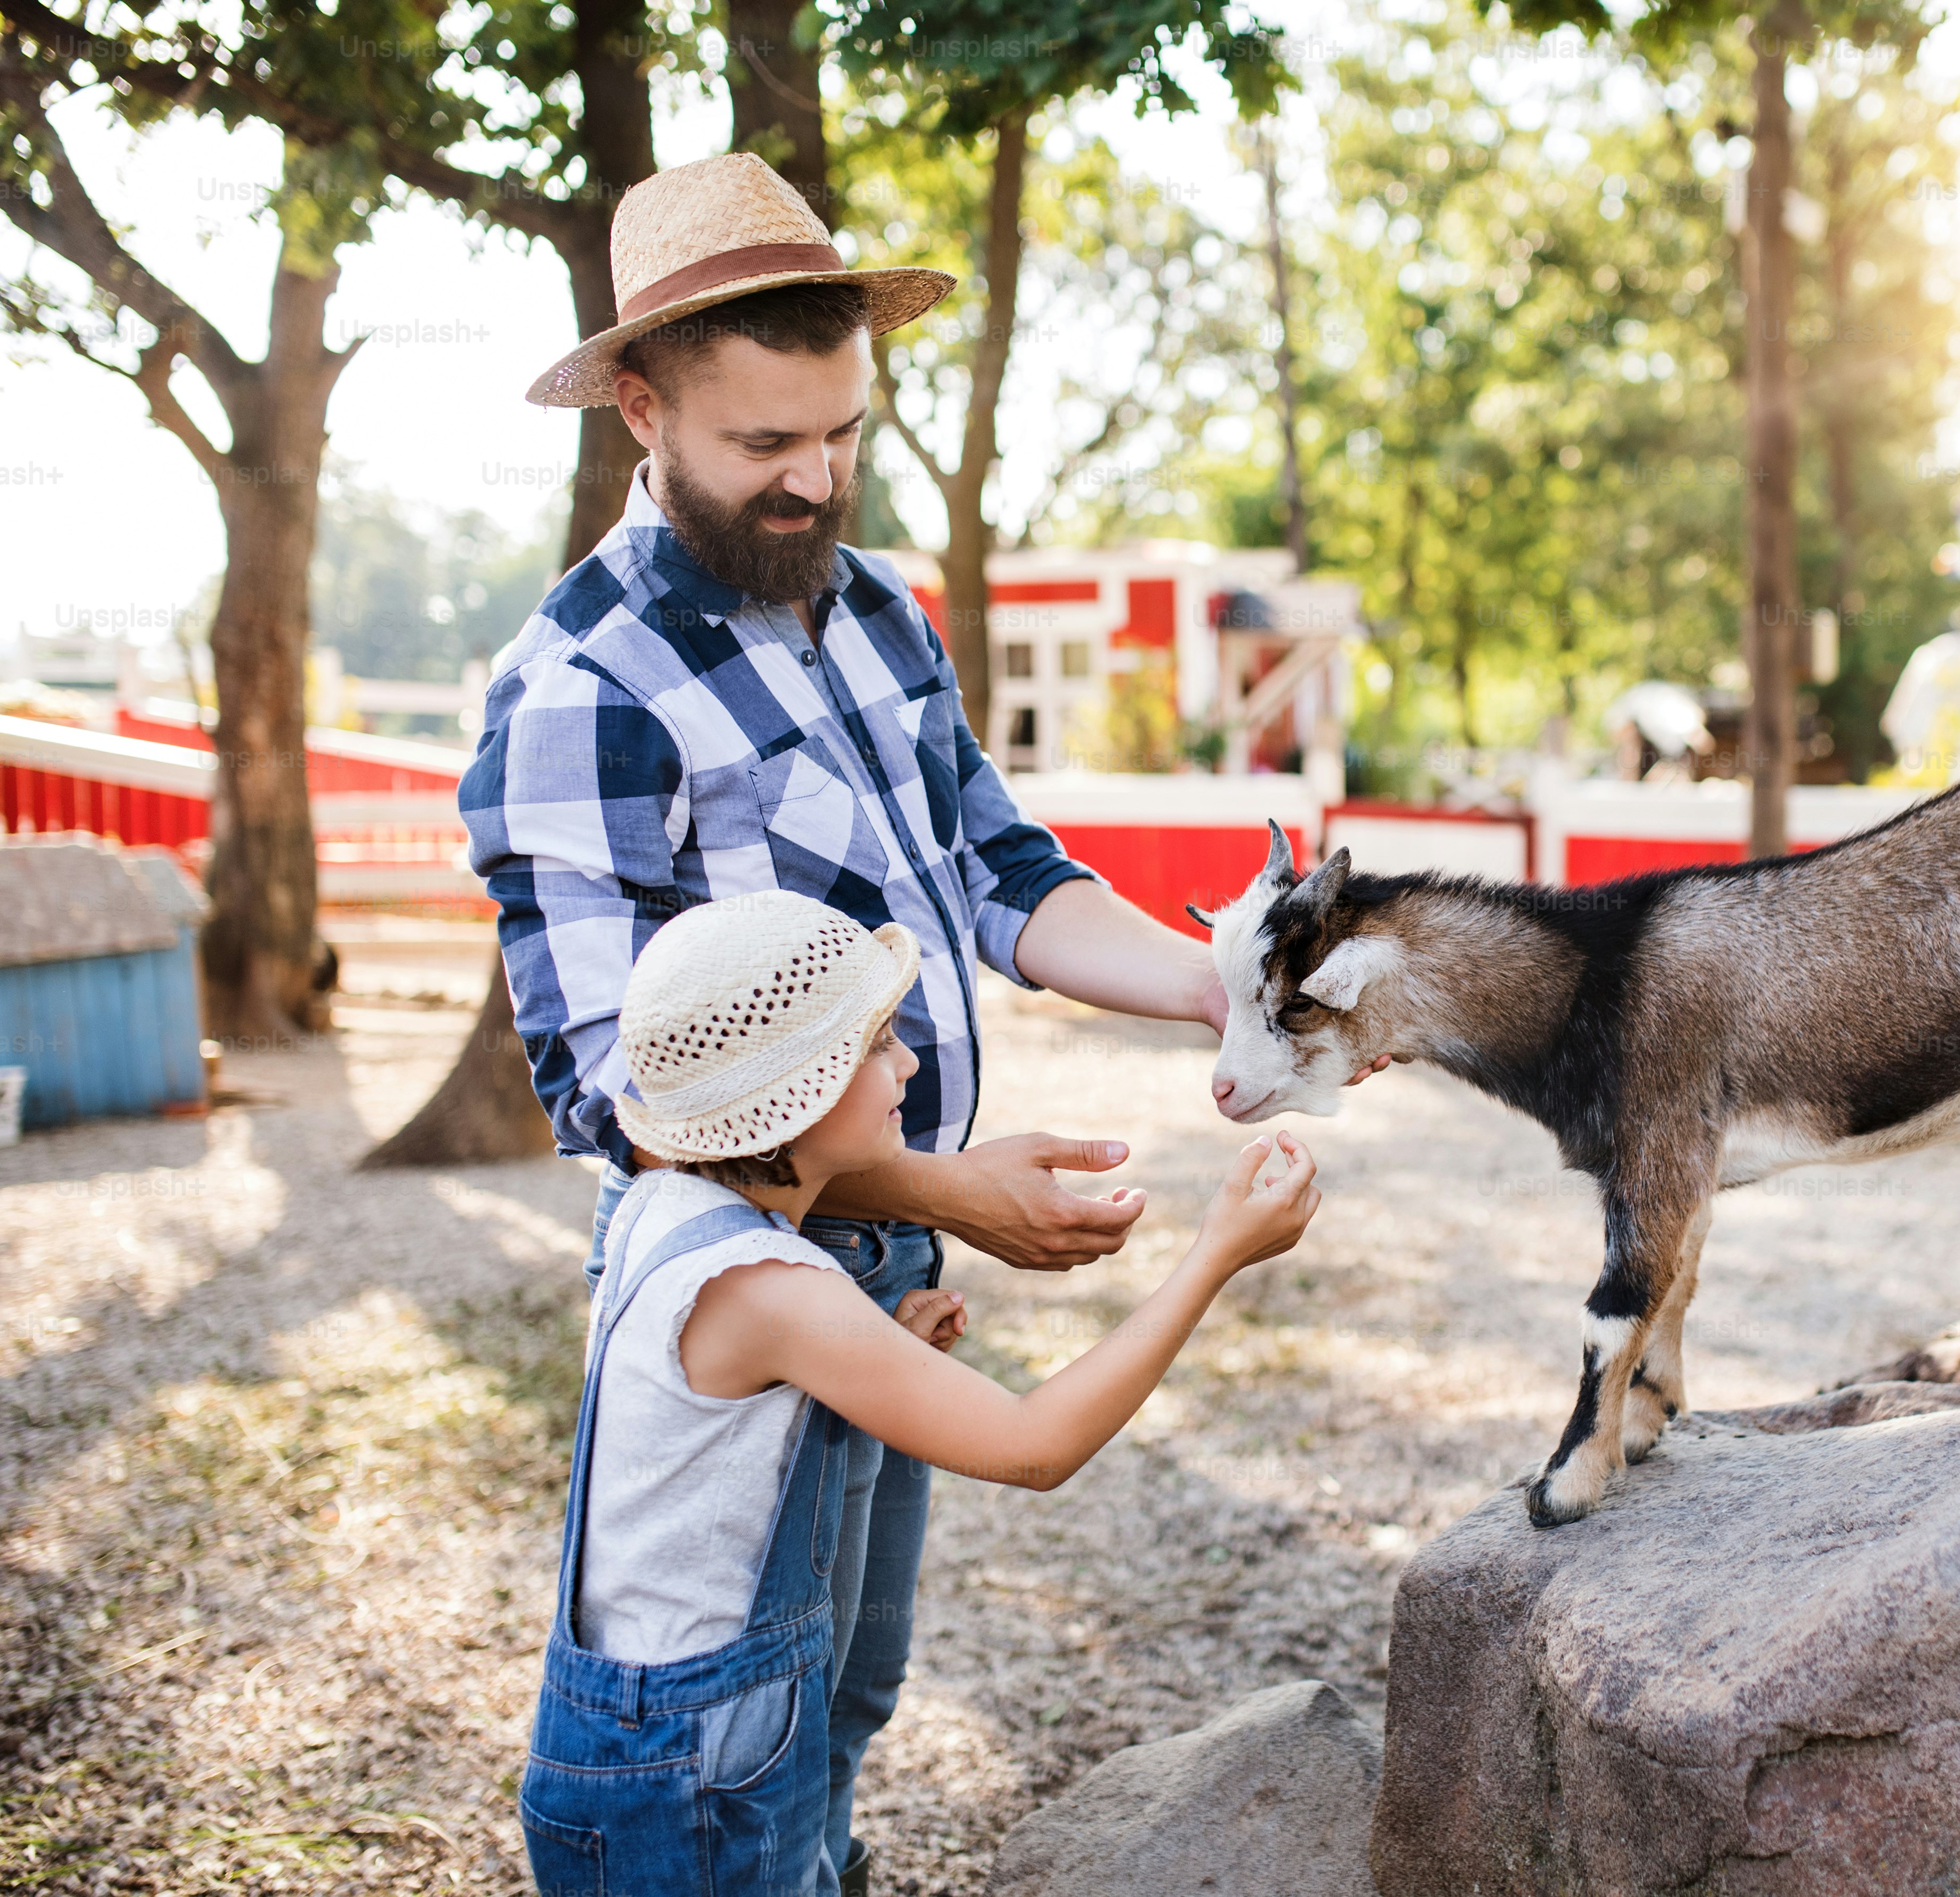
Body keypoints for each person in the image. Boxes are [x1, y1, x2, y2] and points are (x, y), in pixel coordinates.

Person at [463, 151, 1380, 1892]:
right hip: (771, 1276)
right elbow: (624, 1102)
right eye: (763, 448)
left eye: (845, 435)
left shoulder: (873, 608)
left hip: (878, 1258)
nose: (815, 481)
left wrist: (1219, 987)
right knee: (747, 1721)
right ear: (642, 409)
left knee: (850, 1692)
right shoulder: (579, 692)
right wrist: (945, 1187)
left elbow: (997, 868)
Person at [516, 889, 1320, 1892]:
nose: (906, 1064)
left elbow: (718, 1434)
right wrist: (1217, 1254)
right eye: (877, 1044)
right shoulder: (779, 1291)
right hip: (692, 1785)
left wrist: (881, 1347)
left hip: (619, 1741)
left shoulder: (664, 1209)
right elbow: (1035, 1445)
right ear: (798, 1095)